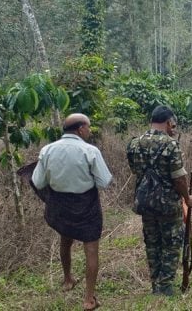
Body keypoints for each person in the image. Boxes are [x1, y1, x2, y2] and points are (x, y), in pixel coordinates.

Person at [32, 114, 112, 311]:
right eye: (89, 127)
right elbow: (104, 182)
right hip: (86, 206)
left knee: (65, 240)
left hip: (60, 207)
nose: (90, 131)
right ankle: (88, 299)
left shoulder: (47, 150)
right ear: (80, 129)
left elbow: (38, 182)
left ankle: (68, 279)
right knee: (91, 250)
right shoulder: (90, 151)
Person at [127, 106, 192, 296]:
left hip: (145, 203)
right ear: (168, 122)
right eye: (172, 123)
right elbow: (179, 178)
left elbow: (135, 171)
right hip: (168, 204)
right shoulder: (171, 144)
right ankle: (165, 287)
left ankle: (155, 283)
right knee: (171, 243)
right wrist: (187, 198)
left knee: (152, 242)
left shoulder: (134, 144)